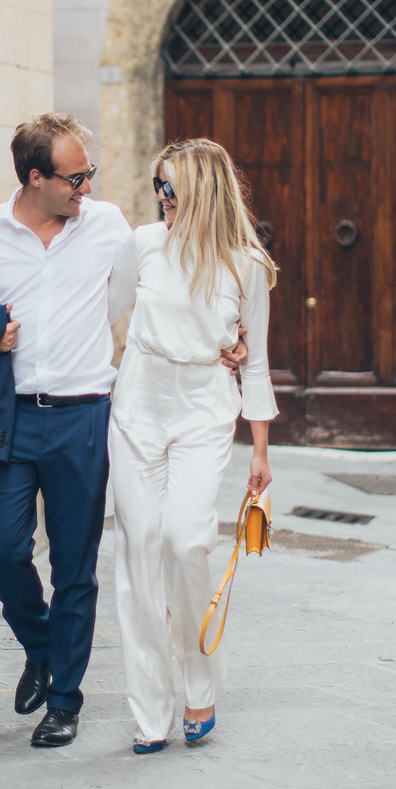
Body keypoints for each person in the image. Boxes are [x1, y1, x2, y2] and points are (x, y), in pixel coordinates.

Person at [0, 113, 246, 750]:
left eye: (89, 175)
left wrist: (228, 335)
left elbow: (172, 278)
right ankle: (41, 647)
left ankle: (66, 701)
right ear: (34, 178)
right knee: (3, 549)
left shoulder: (109, 228)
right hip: (9, 415)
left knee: (75, 565)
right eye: (74, 178)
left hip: (84, 414)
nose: (86, 188)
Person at [107, 139, 278, 753]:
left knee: (186, 541)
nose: (161, 198)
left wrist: (260, 454)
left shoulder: (246, 264)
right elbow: (103, 311)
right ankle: (150, 711)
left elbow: (254, 364)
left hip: (204, 410)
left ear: (202, 193)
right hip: (138, 409)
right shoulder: (144, 244)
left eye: (171, 189)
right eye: (157, 186)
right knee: (138, 559)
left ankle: (199, 678)